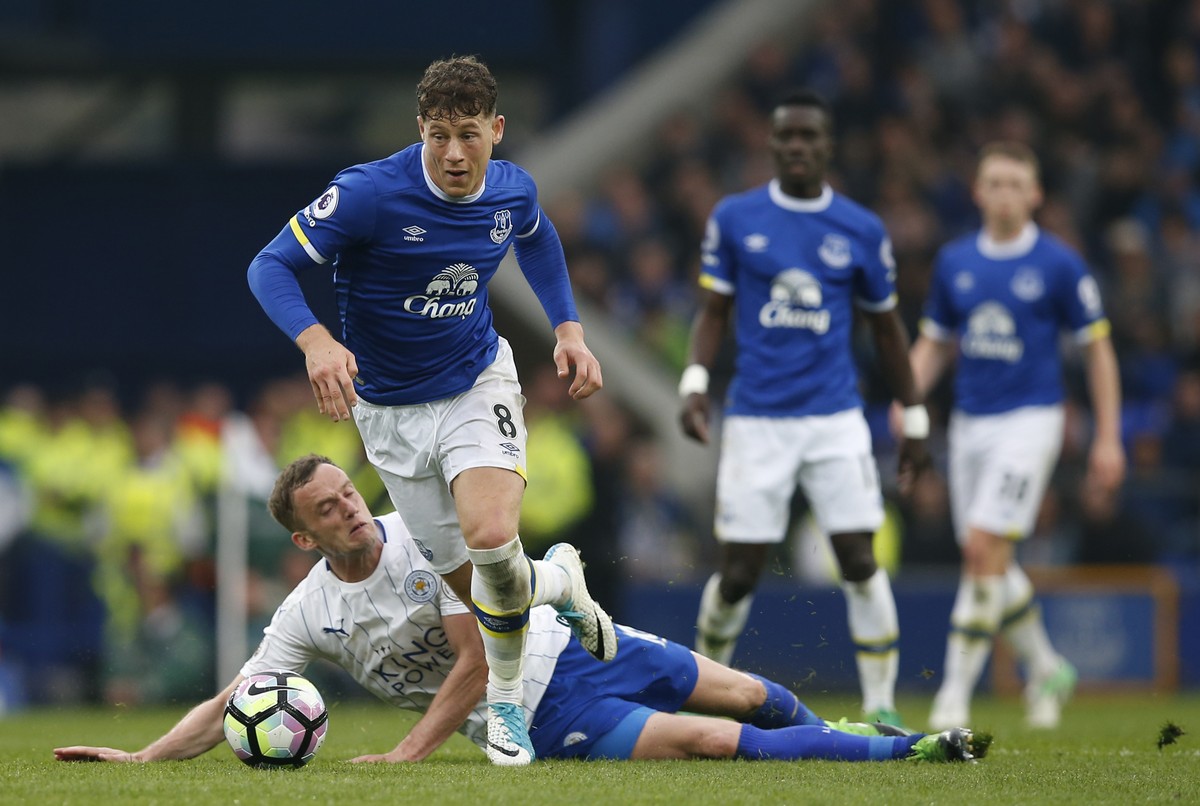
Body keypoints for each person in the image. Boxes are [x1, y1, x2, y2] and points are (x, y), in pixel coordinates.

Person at [54, 455, 986, 765]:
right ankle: (907, 753)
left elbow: (468, 656)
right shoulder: (310, 613)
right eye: (327, 509)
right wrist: (141, 757)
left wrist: (409, 751)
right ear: (305, 539)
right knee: (706, 744)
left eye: (348, 491)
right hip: (544, 707)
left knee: (745, 692)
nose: (348, 507)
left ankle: (842, 740)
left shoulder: (419, 537)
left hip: (569, 638)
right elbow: (235, 698)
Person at [245, 55, 613, 765]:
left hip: (476, 383)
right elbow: (269, 265)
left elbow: (535, 237)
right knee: (487, 584)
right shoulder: (368, 195)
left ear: (496, 131)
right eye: (439, 134)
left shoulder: (511, 191)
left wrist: (568, 328)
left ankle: (506, 710)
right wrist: (317, 343)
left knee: (490, 533)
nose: (452, 153)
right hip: (388, 415)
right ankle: (562, 579)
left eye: (469, 134)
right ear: (420, 129)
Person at [678, 90, 929, 727]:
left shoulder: (861, 229)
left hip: (834, 418)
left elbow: (888, 330)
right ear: (771, 145)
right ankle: (703, 688)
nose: (796, 147)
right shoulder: (735, 218)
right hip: (757, 418)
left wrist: (916, 415)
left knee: (860, 559)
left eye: (808, 137)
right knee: (738, 572)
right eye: (785, 137)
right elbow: (714, 313)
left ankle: (880, 705)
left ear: (827, 146)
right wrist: (695, 381)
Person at [907, 141, 1125, 730]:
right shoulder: (955, 262)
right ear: (978, 192)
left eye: (1015, 184)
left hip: (1032, 421)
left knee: (982, 548)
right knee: (992, 561)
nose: (1004, 193)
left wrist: (1108, 436)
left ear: (1035, 194)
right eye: (994, 183)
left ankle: (952, 698)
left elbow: (1098, 351)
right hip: (970, 425)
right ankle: (1049, 666)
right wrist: (908, 397)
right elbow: (935, 342)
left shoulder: (1059, 264)